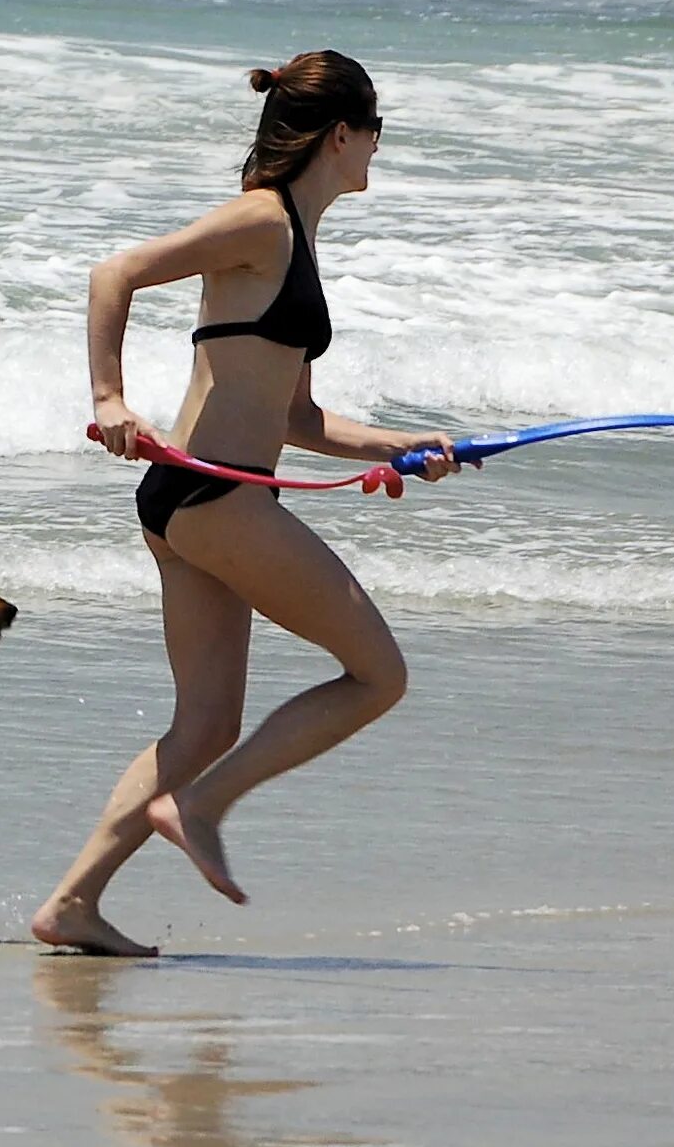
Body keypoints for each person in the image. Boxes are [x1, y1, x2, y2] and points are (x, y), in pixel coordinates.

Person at [32, 51, 465, 958]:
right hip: (218, 495)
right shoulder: (263, 221)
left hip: (192, 499)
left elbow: (298, 417)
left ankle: (72, 902)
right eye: (377, 130)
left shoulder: (296, 239)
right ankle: (203, 804)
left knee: (205, 724)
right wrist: (109, 399)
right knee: (380, 675)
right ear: (342, 133)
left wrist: (402, 446)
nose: (379, 148)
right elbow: (114, 272)